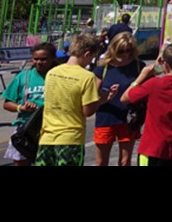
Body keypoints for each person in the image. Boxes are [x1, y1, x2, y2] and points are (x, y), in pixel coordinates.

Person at [37, 33, 118, 166]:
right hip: (70, 138)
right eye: (92, 57)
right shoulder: (87, 77)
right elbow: (88, 111)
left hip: (47, 137)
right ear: (87, 54)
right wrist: (104, 99)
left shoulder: (52, 73)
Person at [122, 43, 172, 166]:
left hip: (150, 148)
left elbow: (125, 98)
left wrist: (141, 76)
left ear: (165, 64)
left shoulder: (153, 84)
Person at [93, 32, 145, 166]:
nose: (125, 55)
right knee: (100, 162)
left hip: (128, 118)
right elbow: (92, 96)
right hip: (106, 116)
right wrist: (106, 96)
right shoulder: (103, 68)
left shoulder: (139, 66)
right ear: (113, 49)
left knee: (125, 161)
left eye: (129, 50)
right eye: (121, 51)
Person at [1, 42, 57, 166]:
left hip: (51, 127)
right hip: (26, 128)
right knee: (20, 162)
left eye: (43, 59)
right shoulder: (24, 77)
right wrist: (21, 107)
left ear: (52, 59)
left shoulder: (59, 76)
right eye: (35, 59)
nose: (39, 62)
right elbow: (7, 103)